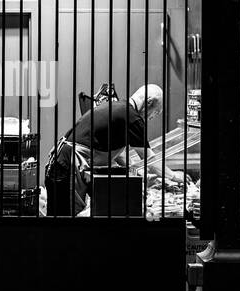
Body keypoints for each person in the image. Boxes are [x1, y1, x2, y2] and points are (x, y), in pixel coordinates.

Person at [44, 83, 180, 215]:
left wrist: (139, 173)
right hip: (68, 167)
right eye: (156, 112)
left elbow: (119, 155)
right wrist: (174, 176)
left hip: (61, 162)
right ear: (149, 102)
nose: (152, 117)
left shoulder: (118, 108)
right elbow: (149, 159)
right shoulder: (132, 117)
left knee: (62, 217)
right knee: (65, 222)